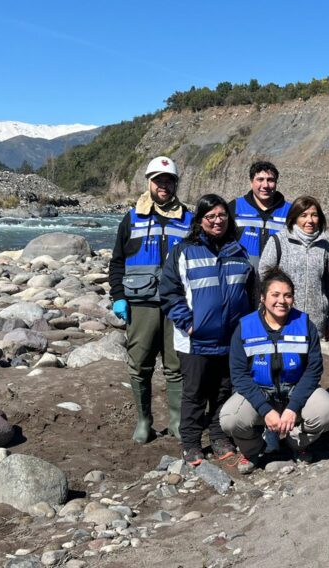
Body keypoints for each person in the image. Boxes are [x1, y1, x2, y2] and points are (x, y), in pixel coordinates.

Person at [159, 194, 255, 465]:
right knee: (195, 392)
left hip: (230, 338)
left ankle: (218, 436)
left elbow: (249, 294)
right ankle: (190, 443)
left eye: (222, 216)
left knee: (223, 390)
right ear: (200, 220)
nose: (217, 221)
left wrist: (246, 329)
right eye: (210, 216)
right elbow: (169, 292)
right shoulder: (184, 250)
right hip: (195, 339)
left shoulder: (239, 251)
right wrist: (188, 323)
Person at [220, 268, 329, 474]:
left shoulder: (304, 325)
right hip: (260, 393)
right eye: (275, 295)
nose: (281, 301)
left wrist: (293, 407)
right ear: (263, 298)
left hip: (295, 391)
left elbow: (313, 369)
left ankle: (295, 444)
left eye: (287, 295)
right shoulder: (245, 327)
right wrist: (265, 410)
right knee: (229, 418)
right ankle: (255, 449)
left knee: (327, 412)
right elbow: (239, 375)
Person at [109, 156, 193, 444]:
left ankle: (176, 422)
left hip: (177, 305)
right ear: (149, 182)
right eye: (158, 180)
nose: (163, 186)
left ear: (175, 184)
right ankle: (144, 420)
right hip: (140, 303)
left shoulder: (189, 219)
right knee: (140, 364)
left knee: (176, 366)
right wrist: (118, 297)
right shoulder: (131, 218)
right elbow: (117, 262)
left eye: (168, 181)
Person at [258, 196, 329, 342]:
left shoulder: (324, 246)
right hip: (282, 322)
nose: (309, 220)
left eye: (314, 215)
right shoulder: (279, 241)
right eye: (303, 215)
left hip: (315, 324)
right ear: (294, 218)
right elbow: (264, 276)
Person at [228, 161, 292, 271]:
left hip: (275, 281)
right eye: (260, 179)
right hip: (242, 279)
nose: (265, 185)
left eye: (270, 180)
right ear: (251, 182)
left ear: (276, 183)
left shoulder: (290, 211)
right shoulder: (235, 207)